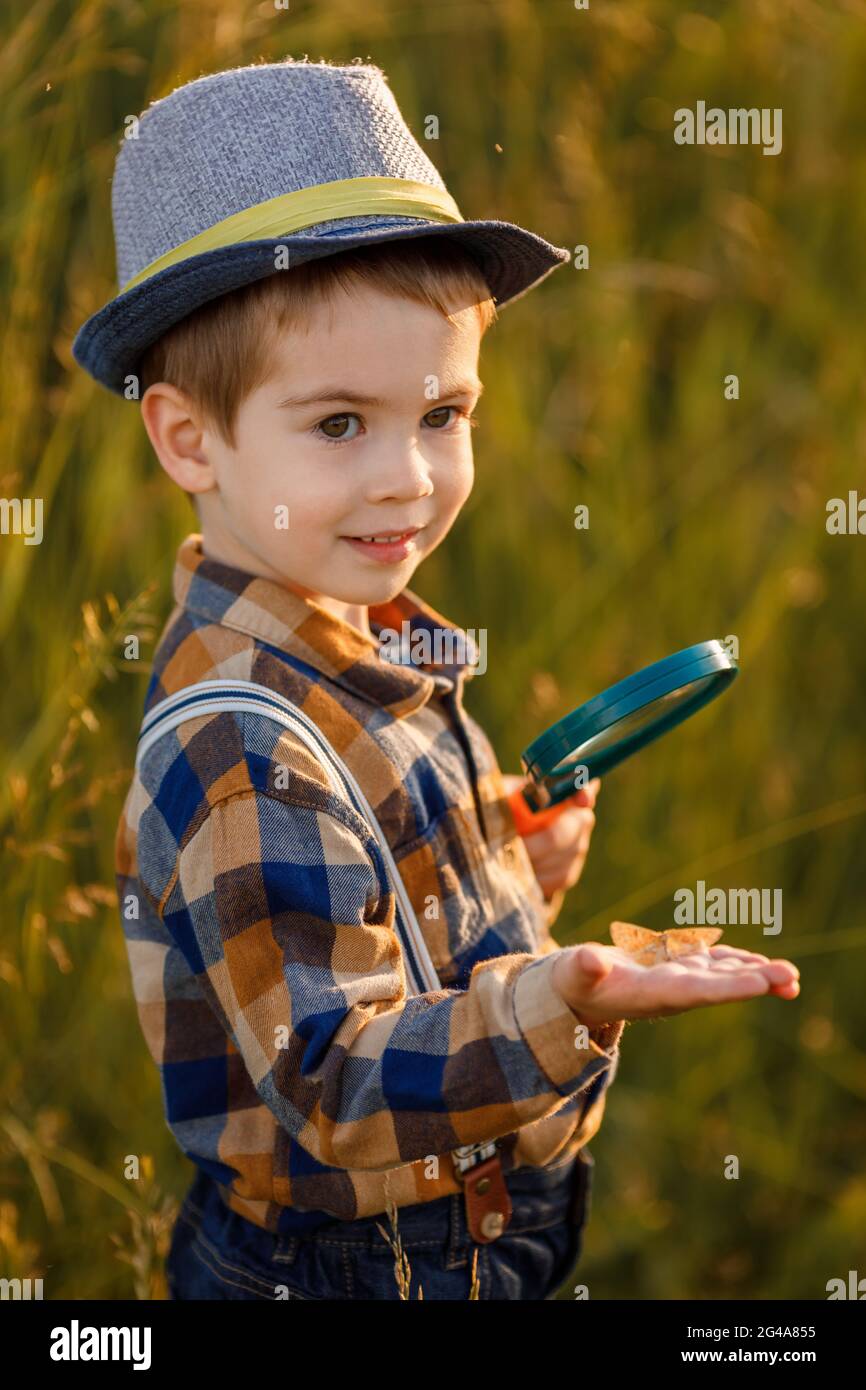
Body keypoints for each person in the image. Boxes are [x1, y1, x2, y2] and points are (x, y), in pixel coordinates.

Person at [73, 58, 799, 1301]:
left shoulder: (356, 640)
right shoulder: (244, 739)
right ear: (190, 436)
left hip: (472, 1232)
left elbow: (374, 914)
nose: (410, 476)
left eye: (443, 412)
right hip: (348, 1269)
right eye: (341, 424)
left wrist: (503, 856)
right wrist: (563, 990)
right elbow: (335, 1081)